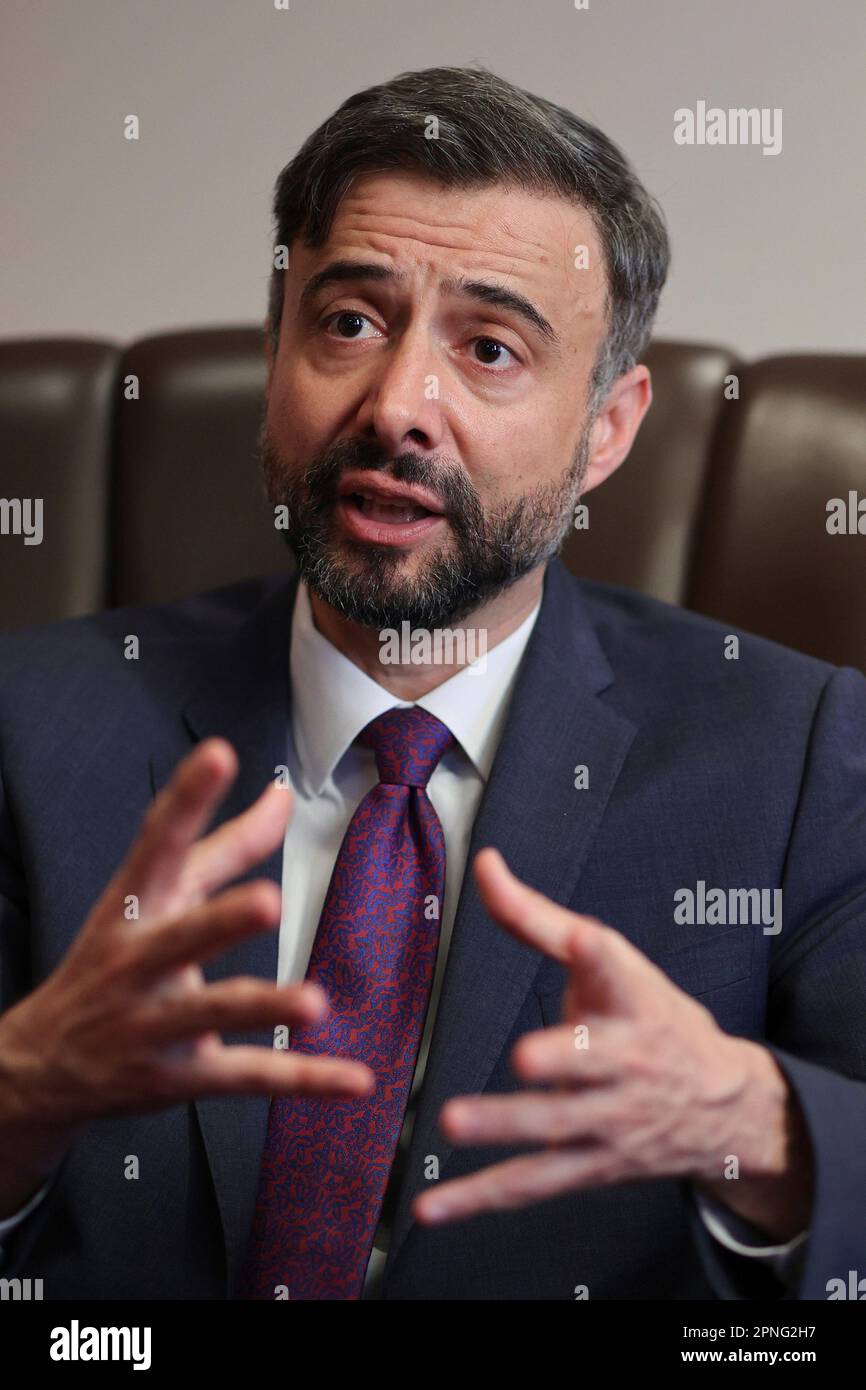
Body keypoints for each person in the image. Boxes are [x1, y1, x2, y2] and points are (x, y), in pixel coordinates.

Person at [0, 65, 862, 1301]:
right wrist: (24, 1088)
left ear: (606, 431)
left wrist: (757, 1124)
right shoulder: (30, 726)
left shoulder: (795, 758)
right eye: (347, 322)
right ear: (273, 340)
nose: (398, 404)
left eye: (492, 348)